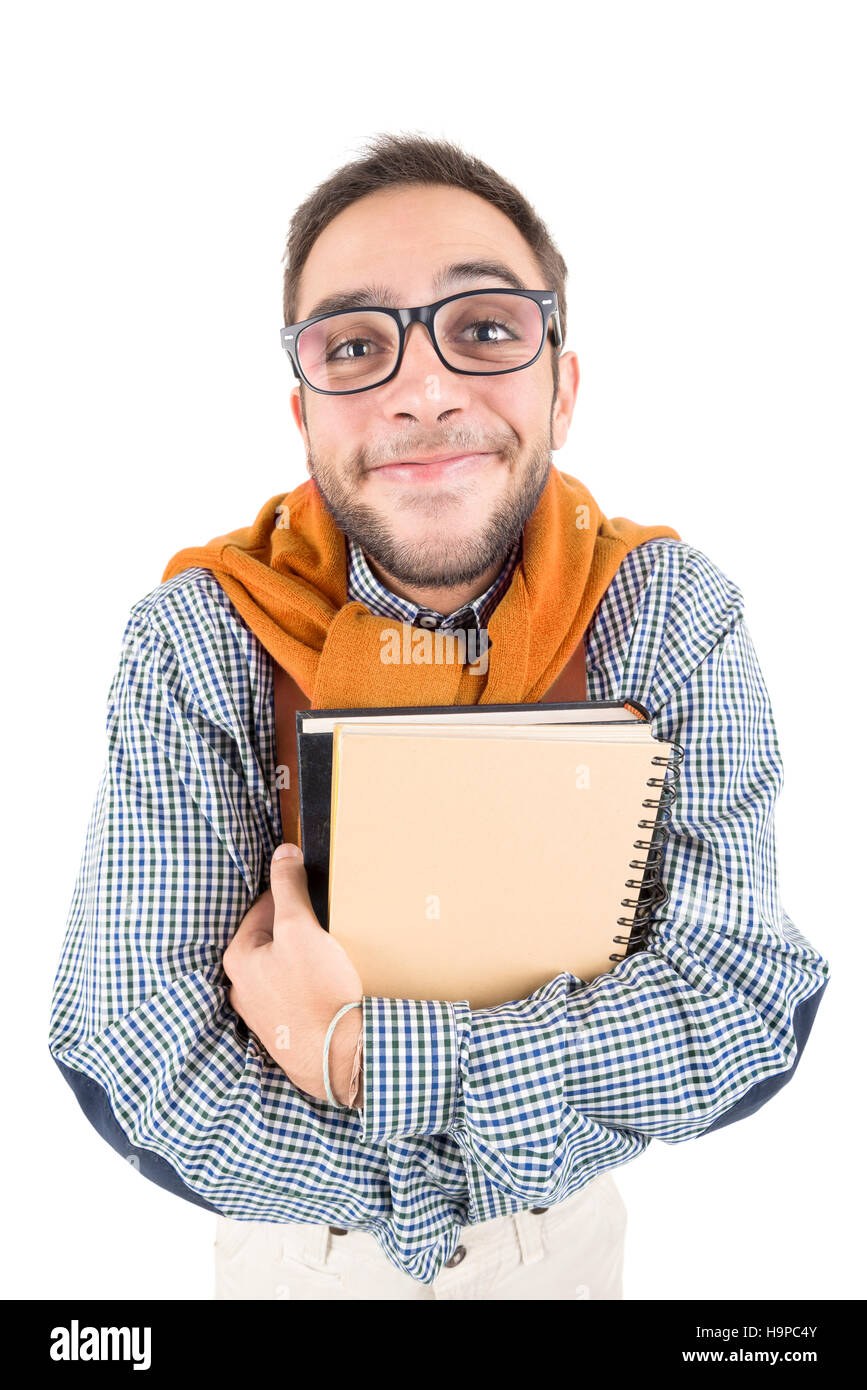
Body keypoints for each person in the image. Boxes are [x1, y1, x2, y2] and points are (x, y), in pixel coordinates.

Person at [48, 132, 831, 1301]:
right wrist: (491, 1154)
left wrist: (351, 1052)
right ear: (306, 415)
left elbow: (740, 1002)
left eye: (486, 329)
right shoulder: (197, 636)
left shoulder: (671, 614)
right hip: (295, 1260)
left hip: (563, 1252)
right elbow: (139, 1064)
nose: (422, 387)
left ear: (561, 387)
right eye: (356, 345)